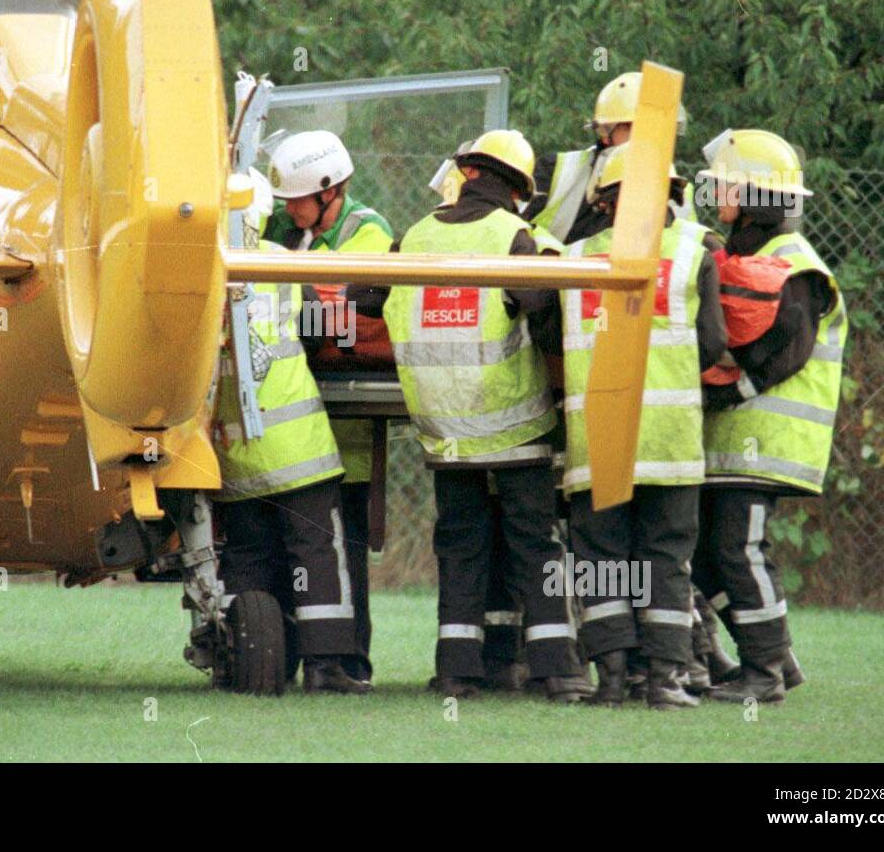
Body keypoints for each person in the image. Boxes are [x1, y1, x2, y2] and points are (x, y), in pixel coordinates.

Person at [375, 130, 585, 701]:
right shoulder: (515, 237)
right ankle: (558, 672)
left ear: (466, 173)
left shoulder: (412, 238)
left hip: (444, 431)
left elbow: (367, 298)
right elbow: (550, 315)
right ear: (518, 191)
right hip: (516, 425)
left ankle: (457, 672)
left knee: (461, 545)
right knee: (535, 544)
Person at [542, 142, 727, 710]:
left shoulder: (575, 260)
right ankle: (666, 680)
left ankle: (614, 677)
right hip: (669, 446)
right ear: (672, 194)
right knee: (665, 558)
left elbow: (549, 341)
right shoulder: (697, 250)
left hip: (598, 442)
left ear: (603, 202)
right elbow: (714, 344)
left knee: (602, 561)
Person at [691, 129, 847, 703]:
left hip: (768, 440)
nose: (717, 194)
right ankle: (775, 659)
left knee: (738, 550)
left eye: (727, 185)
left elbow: (789, 348)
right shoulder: (745, 256)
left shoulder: (792, 262)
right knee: (708, 555)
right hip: (734, 443)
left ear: (756, 195)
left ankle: (764, 675)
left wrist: (731, 392)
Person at [211, 228, 368, 695]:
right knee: (316, 553)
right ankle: (325, 667)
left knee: (247, 557)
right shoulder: (282, 264)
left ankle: (239, 664)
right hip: (298, 449)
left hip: (235, 452)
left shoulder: (193, 264)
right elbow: (326, 333)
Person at [264, 130, 394, 684]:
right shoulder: (283, 229)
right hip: (289, 420)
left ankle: (348, 665)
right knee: (286, 549)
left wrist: (311, 309)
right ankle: (289, 657)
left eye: (298, 199)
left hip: (347, 429)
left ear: (330, 190)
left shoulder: (368, 230)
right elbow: (326, 310)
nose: (289, 211)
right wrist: (319, 307)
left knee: (345, 555)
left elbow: (353, 316)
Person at [527, 71, 692, 244]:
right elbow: (516, 235)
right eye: (638, 129)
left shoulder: (679, 190)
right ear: (605, 131)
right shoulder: (557, 172)